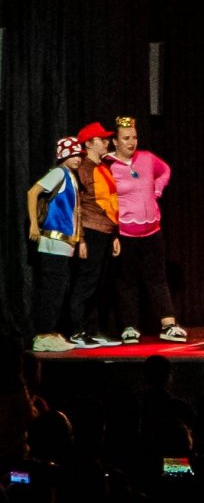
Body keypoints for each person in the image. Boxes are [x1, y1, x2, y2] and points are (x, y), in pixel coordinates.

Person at [103, 118, 182, 344]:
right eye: (126, 138)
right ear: (115, 142)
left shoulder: (147, 158)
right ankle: (129, 326)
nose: (132, 142)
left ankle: (169, 324)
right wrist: (114, 231)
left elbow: (165, 170)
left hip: (152, 231)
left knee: (158, 278)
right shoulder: (108, 165)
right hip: (126, 233)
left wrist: (156, 190)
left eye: (134, 137)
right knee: (127, 281)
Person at [26, 138, 87, 353]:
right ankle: (42, 334)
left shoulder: (71, 176)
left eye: (80, 155)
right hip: (53, 241)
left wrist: (79, 239)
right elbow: (33, 192)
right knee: (52, 290)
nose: (78, 158)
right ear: (64, 156)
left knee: (58, 290)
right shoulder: (59, 173)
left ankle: (49, 331)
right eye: (73, 155)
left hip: (65, 243)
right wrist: (34, 223)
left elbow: (75, 213)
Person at [69, 122, 118, 347]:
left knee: (100, 283)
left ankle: (94, 329)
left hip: (105, 231)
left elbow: (110, 203)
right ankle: (77, 331)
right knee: (85, 283)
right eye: (102, 139)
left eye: (107, 138)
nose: (106, 142)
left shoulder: (103, 167)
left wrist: (115, 234)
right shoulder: (82, 168)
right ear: (89, 144)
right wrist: (80, 238)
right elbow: (76, 204)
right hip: (90, 230)